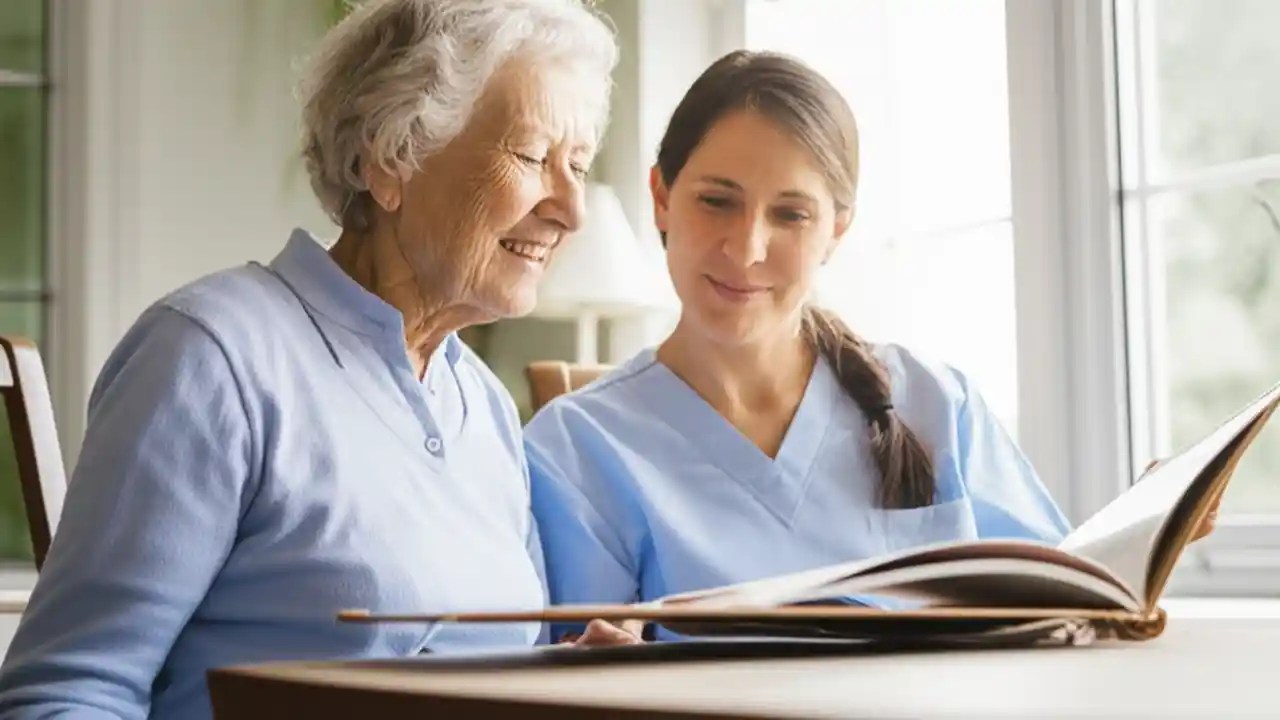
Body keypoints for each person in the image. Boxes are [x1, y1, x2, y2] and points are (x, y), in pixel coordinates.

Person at [0, 1, 633, 717]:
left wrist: (564, 681)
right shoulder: (211, 359)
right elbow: (64, 695)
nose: (572, 209)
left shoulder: (482, 403)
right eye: (531, 156)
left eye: (578, 165)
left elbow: (482, 673)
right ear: (390, 159)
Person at [525, 50, 1217, 641]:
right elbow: (580, 668)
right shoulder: (576, 450)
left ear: (837, 231)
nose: (748, 247)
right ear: (662, 199)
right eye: (717, 201)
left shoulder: (936, 403)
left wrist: (1145, 538)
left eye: (791, 214)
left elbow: (1065, 610)